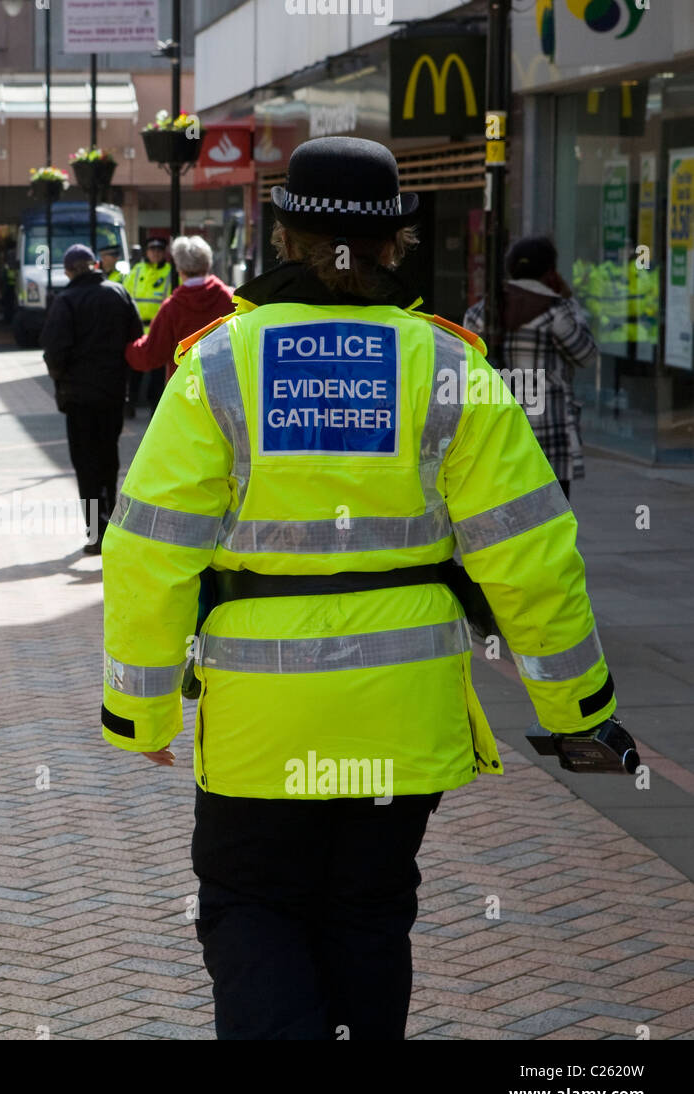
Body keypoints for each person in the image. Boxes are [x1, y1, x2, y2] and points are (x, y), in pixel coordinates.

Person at [101, 136, 621, 1040]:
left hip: (262, 723)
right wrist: (576, 710)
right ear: (395, 243)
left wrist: (141, 711)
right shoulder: (448, 363)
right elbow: (532, 553)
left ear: (285, 232)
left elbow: (150, 551)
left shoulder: (220, 365)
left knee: (252, 908)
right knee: (372, 913)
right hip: (400, 716)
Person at [463, 235, 597, 501]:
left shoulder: (482, 312)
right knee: (553, 518)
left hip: (497, 431)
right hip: (549, 432)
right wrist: (571, 303)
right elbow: (586, 353)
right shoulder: (557, 311)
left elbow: (466, 368)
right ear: (550, 272)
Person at [40, 244, 143, 555]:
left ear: (69, 271)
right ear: (95, 264)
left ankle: (95, 532)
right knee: (109, 458)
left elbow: (54, 352)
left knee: (86, 463)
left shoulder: (66, 301)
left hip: (79, 397)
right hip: (112, 391)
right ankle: (112, 525)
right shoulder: (118, 293)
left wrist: (61, 379)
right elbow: (136, 339)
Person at [125, 235, 234, 384]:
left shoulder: (172, 308)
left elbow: (151, 354)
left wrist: (126, 348)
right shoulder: (231, 299)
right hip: (228, 388)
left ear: (179, 268)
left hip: (185, 390)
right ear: (208, 263)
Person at [123, 236, 172, 417]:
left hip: (158, 329)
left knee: (157, 372)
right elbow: (126, 294)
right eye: (152, 250)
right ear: (146, 252)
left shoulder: (169, 271)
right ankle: (131, 403)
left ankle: (155, 407)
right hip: (136, 329)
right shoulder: (137, 271)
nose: (156, 254)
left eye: (159, 250)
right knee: (136, 368)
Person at [0, 253, 18, 324]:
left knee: (10, 304)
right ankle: (8, 319)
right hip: (9, 287)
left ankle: (9, 319)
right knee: (8, 304)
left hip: (13, 287)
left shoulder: (8, 266)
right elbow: (3, 277)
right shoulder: (8, 266)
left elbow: (3, 277)